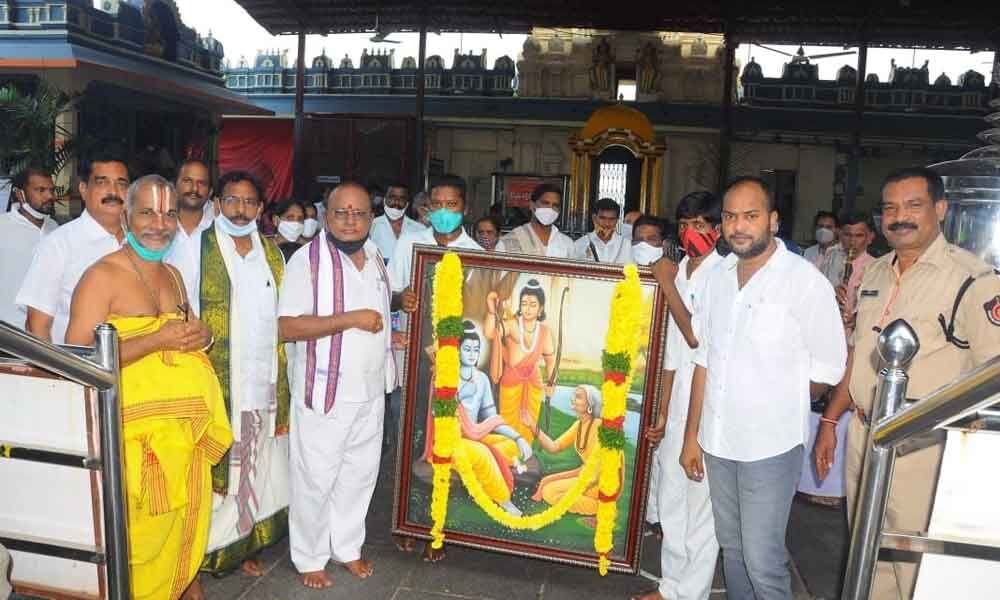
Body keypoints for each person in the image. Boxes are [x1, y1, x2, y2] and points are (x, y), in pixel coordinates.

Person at [813, 167, 1000, 600]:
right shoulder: (875, 273)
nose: (900, 217)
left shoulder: (974, 279)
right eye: (890, 208)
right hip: (863, 434)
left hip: (925, 445)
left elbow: (991, 377)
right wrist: (830, 422)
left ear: (940, 209)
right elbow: (861, 355)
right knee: (867, 553)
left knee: (916, 563)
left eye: (913, 206)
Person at [64, 174, 231, 600]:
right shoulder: (101, 277)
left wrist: (202, 336)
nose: (159, 223)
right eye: (147, 212)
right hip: (133, 445)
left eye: (169, 213)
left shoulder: (173, 276)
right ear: (125, 215)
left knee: (182, 527)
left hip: (184, 439)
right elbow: (75, 359)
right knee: (138, 543)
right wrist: (155, 339)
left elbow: (186, 333)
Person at [680, 176, 846, 600]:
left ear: (773, 220)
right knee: (732, 550)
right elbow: (704, 361)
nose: (738, 226)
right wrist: (691, 437)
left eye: (751, 216)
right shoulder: (717, 278)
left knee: (762, 559)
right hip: (718, 442)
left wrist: (775, 400)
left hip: (769, 447)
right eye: (730, 216)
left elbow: (830, 366)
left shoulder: (804, 282)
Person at [278, 182, 393, 589]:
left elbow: (377, 316)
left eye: (359, 213)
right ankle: (309, 555)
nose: (350, 220)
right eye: (341, 212)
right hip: (324, 391)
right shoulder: (306, 261)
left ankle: (347, 547)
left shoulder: (376, 256)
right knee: (315, 477)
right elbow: (286, 327)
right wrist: (348, 319)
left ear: (371, 219)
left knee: (360, 473)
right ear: (325, 216)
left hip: (371, 388)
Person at [198, 171, 290, 578]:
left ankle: (245, 544)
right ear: (217, 203)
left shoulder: (272, 254)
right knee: (224, 471)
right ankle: (210, 551)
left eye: (249, 202)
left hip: (262, 382)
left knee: (256, 467)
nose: (240, 210)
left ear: (261, 208)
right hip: (220, 383)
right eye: (232, 201)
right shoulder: (198, 249)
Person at [634, 191, 724, 600]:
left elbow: (694, 337)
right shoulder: (683, 269)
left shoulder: (725, 274)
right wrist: (661, 411)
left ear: (717, 230)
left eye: (700, 226)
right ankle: (671, 586)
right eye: (685, 226)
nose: (691, 233)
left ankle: (692, 592)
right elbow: (671, 354)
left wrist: (666, 282)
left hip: (709, 407)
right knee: (671, 499)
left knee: (699, 508)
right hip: (678, 402)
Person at [389, 175, 482, 560]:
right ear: (427, 209)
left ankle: (439, 526)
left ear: (465, 208)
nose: (444, 212)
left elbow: (476, 313)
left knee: (447, 441)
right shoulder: (410, 244)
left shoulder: (477, 254)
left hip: (451, 367)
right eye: (437, 204)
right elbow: (390, 292)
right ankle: (407, 520)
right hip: (413, 361)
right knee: (407, 440)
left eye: (452, 204)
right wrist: (401, 298)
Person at [16, 151, 129, 343]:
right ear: (84, 189)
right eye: (103, 182)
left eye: (121, 183)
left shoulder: (140, 243)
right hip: (76, 368)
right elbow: (37, 326)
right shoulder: (59, 244)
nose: (114, 191)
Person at [419, 320, 526, 516]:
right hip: (451, 441)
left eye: (476, 349)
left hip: (475, 433)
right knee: (483, 453)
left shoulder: (481, 379)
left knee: (509, 444)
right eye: (467, 349)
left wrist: (518, 438)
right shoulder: (445, 378)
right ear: (457, 351)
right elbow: (438, 417)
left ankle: (494, 475)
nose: (472, 353)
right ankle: (504, 500)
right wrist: (453, 397)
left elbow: (491, 416)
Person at [483, 279, 556, 446]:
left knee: (529, 425)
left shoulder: (544, 332)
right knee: (507, 426)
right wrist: (491, 310)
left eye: (532, 304)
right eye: (524, 303)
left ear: (540, 309)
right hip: (511, 382)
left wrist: (552, 382)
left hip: (534, 384)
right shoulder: (511, 325)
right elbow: (489, 333)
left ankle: (525, 454)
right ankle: (509, 453)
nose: (528, 308)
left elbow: (550, 362)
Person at [528, 385, 603, 515]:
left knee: (549, 492)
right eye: (574, 396)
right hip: (585, 475)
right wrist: (532, 427)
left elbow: (597, 470)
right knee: (548, 488)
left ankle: (597, 507)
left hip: (598, 482)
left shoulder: (598, 426)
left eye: (578, 397)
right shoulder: (578, 425)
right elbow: (554, 447)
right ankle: (588, 504)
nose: (573, 399)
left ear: (590, 404)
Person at [0, 167, 58, 328]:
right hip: (8, 331)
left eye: (51, 190)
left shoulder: (55, 228)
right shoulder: (2, 227)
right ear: (20, 194)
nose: (49, 196)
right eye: (41, 190)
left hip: (46, 331)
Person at [165, 159, 215, 316]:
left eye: (202, 183)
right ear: (174, 186)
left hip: (212, 330)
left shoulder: (220, 228)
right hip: (166, 328)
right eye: (187, 181)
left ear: (211, 192)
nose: (194, 189)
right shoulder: (157, 227)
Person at [495, 183, 574, 258]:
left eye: (555, 205)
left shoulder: (566, 243)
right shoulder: (511, 240)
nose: (550, 209)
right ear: (532, 206)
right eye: (545, 203)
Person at [370, 182, 427, 262]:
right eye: (392, 197)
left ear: (407, 204)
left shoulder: (419, 229)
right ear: (384, 200)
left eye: (402, 198)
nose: (396, 202)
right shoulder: (371, 226)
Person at [574, 198, 631, 264]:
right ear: (594, 218)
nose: (607, 223)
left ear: (617, 220)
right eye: (602, 218)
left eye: (611, 219)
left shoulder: (626, 245)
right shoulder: (581, 243)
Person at [804, 210, 845, 284]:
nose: (823, 230)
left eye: (828, 227)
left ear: (837, 230)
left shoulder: (844, 254)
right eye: (820, 226)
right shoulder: (808, 252)